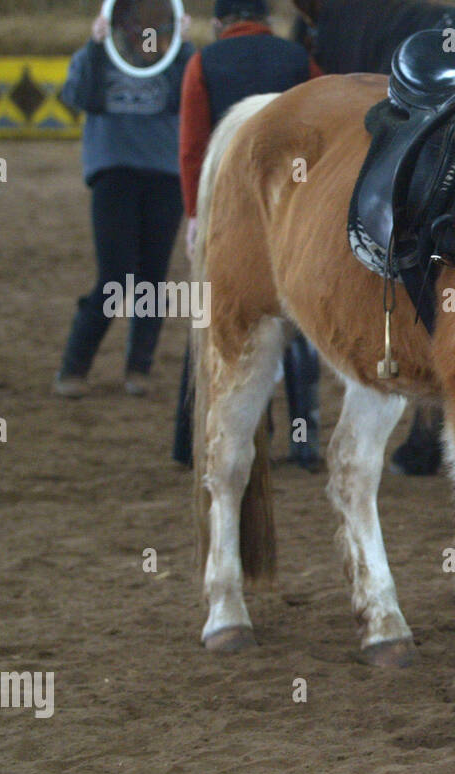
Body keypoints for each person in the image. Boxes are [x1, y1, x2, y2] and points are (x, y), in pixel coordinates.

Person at [172, 0, 324, 469]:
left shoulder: (204, 63)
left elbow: (194, 150)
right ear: (268, 18)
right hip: (291, 207)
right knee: (299, 322)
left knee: (220, 322)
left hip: (231, 213)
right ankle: (304, 439)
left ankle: (193, 439)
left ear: (220, 23)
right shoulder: (299, 61)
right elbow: (325, 132)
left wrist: (196, 215)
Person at [53, 3, 193, 398]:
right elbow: (79, 98)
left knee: (151, 278)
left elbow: (187, 98)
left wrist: (182, 46)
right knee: (116, 276)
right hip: (114, 175)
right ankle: (74, 366)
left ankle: (139, 368)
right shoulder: (92, 55)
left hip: (165, 176)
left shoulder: (180, 57)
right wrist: (96, 47)